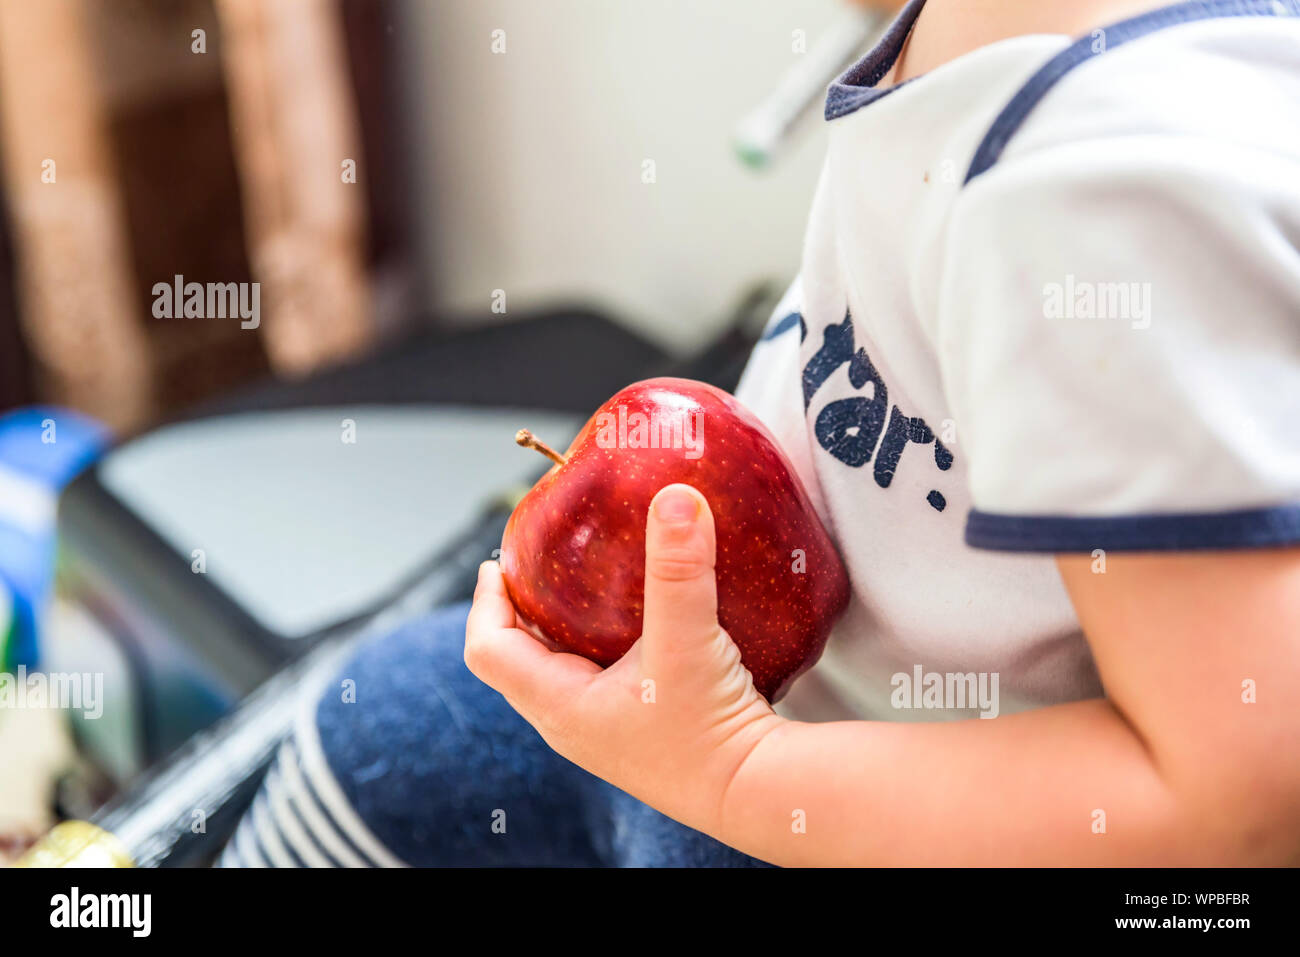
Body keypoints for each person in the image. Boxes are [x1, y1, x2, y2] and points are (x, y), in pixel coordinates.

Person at [225, 0, 1300, 866]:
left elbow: (1233, 805)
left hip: (851, 804)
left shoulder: (1094, 191)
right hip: (762, 717)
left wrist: (732, 774)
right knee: (364, 741)